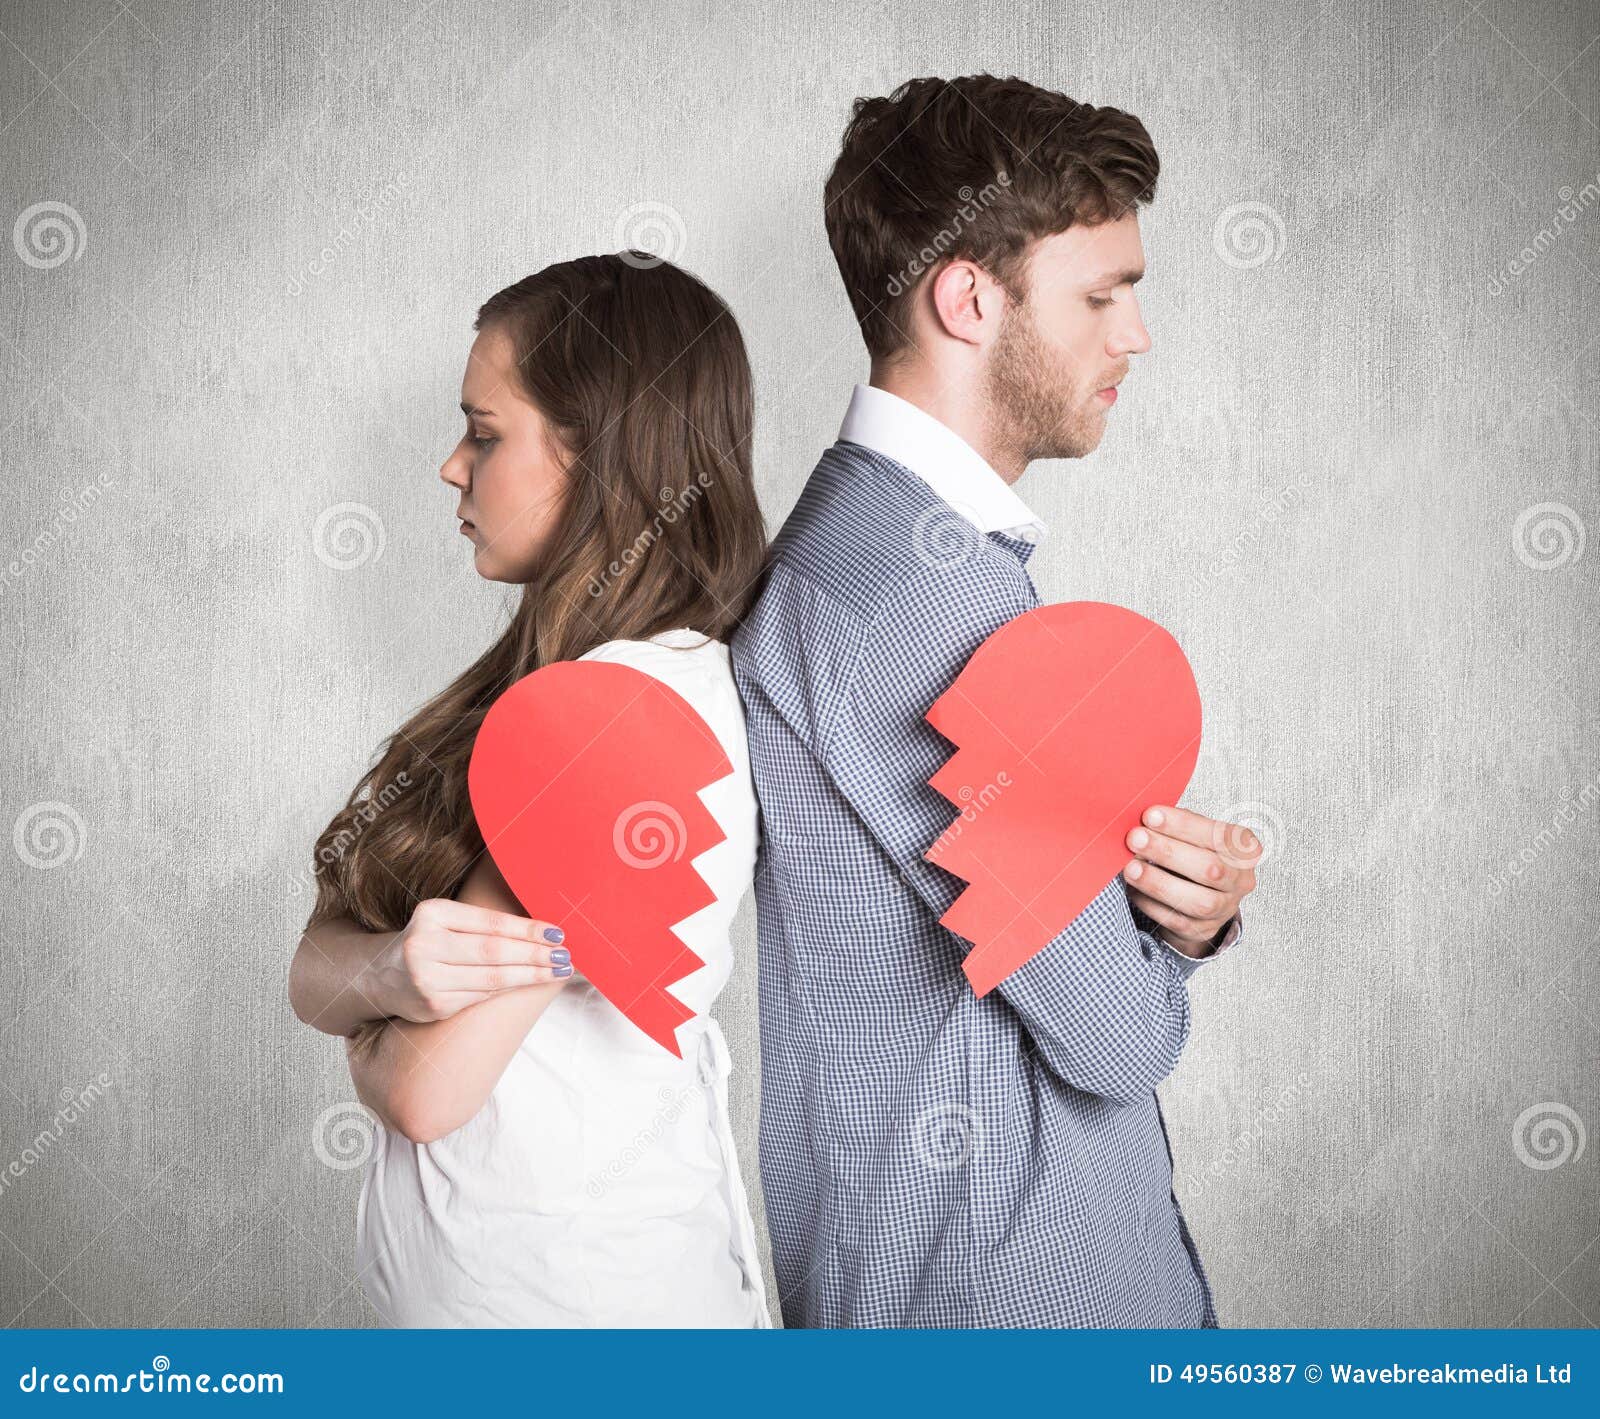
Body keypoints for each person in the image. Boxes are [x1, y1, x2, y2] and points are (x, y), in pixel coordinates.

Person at [730, 75, 1264, 1328]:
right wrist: (1172, 945)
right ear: (968, 298)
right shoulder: (922, 604)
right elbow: (1117, 1040)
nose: (1132, 336)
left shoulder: (875, 554)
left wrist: (1168, 920)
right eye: (1100, 296)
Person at [288, 253, 773, 1328]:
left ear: (598, 453)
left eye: (485, 431)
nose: (450, 468)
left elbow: (424, 1090)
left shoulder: (615, 723)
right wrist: (385, 974)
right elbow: (310, 974)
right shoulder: (545, 695)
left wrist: (373, 1005)